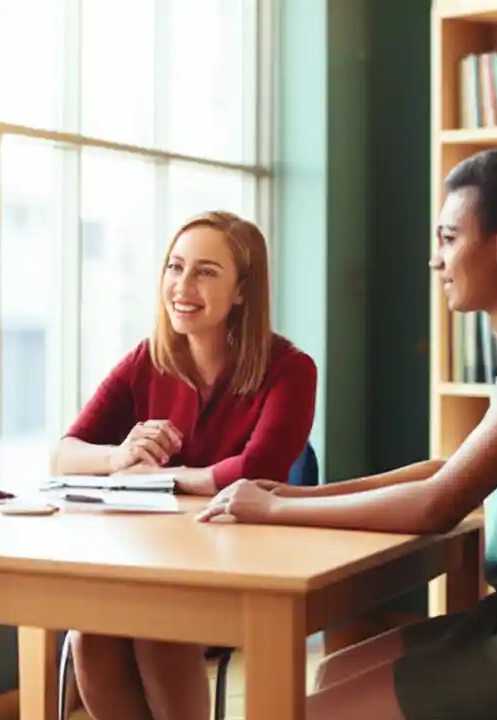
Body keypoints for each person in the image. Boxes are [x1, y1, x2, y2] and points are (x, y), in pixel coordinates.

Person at [198, 146, 497, 719]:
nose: (434, 260)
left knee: (309, 713)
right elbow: (448, 469)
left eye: (448, 238)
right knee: (334, 669)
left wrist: (273, 512)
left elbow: (438, 505)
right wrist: (294, 495)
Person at [52, 210, 317, 720]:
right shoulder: (146, 360)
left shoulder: (291, 369)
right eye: (175, 267)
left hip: (243, 573)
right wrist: (118, 456)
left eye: (205, 271)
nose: (182, 285)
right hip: (153, 566)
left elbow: (257, 467)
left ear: (243, 290)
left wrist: (162, 477)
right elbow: (65, 453)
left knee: (159, 626)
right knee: (90, 634)